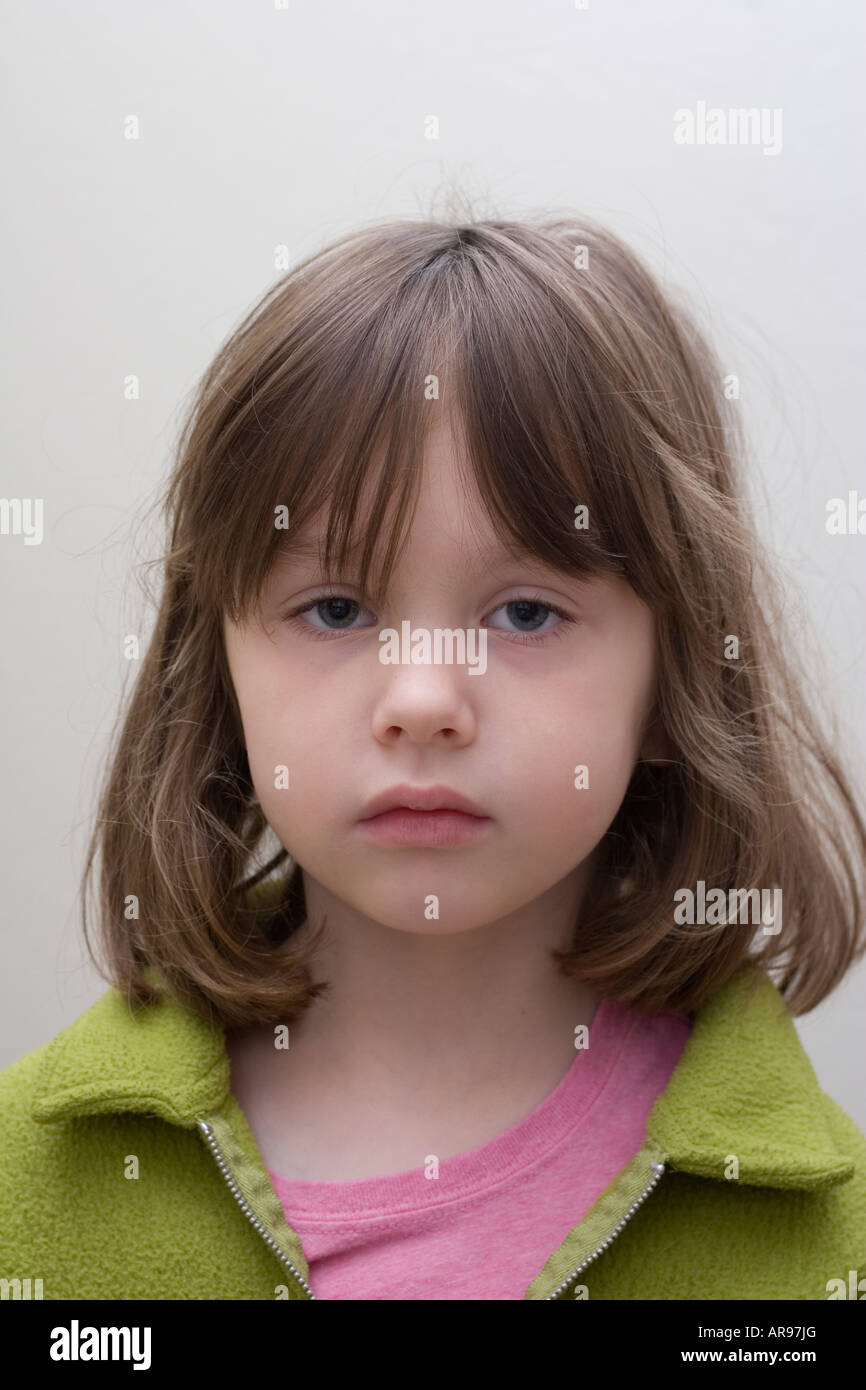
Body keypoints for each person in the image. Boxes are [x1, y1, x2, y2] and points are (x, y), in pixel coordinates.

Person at [2, 211, 865, 1301]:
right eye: (333, 607)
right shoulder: (28, 1181)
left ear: (673, 680)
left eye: (524, 614)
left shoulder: (822, 1250)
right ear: (216, 674)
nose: (422, 700)